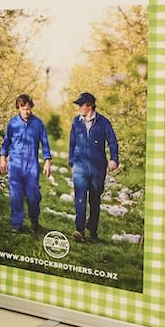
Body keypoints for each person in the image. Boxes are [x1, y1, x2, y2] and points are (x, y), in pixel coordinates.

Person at [68, 92, 118, 243]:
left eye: (80, 105)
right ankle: (79, 230)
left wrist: (114, 159)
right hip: (80, 168)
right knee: (80, 199)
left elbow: (113, 142)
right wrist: (72, 162)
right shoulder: (76, 122)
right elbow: (72, 142)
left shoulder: (103, 122)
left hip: (97, 168)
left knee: (95, 200)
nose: (78, 108)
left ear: (89, 106)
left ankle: (93, 230)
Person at [0, 94, 52, 234]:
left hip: (32, 165)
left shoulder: (38, 124)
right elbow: (6, 142)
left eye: (28, 109)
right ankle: (17, 224)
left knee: (33, 196)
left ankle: (34, 220)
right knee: (16, 195)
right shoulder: (12, 123)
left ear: (31, 108)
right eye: (23, 109)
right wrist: (2, 158)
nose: (26, 112)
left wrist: (47, 161)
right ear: (19, 108)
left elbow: (45, 143)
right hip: (15, 164)